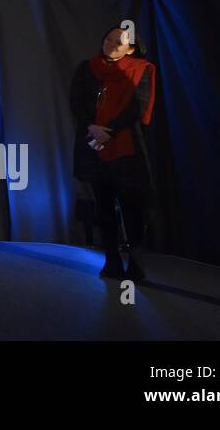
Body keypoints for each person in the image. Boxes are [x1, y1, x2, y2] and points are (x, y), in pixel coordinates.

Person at [70, 25, 157, 282]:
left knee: (131, 207)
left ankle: (136, 264)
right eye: (108, 38)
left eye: (119, 42)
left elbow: (138, 106)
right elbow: (77, 101)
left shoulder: (141, 70)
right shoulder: (88, 68)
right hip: (93, 142)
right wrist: (92, 127)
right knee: (103, 206)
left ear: (131, 48)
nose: (111, 43)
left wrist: (109, 130)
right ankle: (111, 260)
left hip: (126, 147)